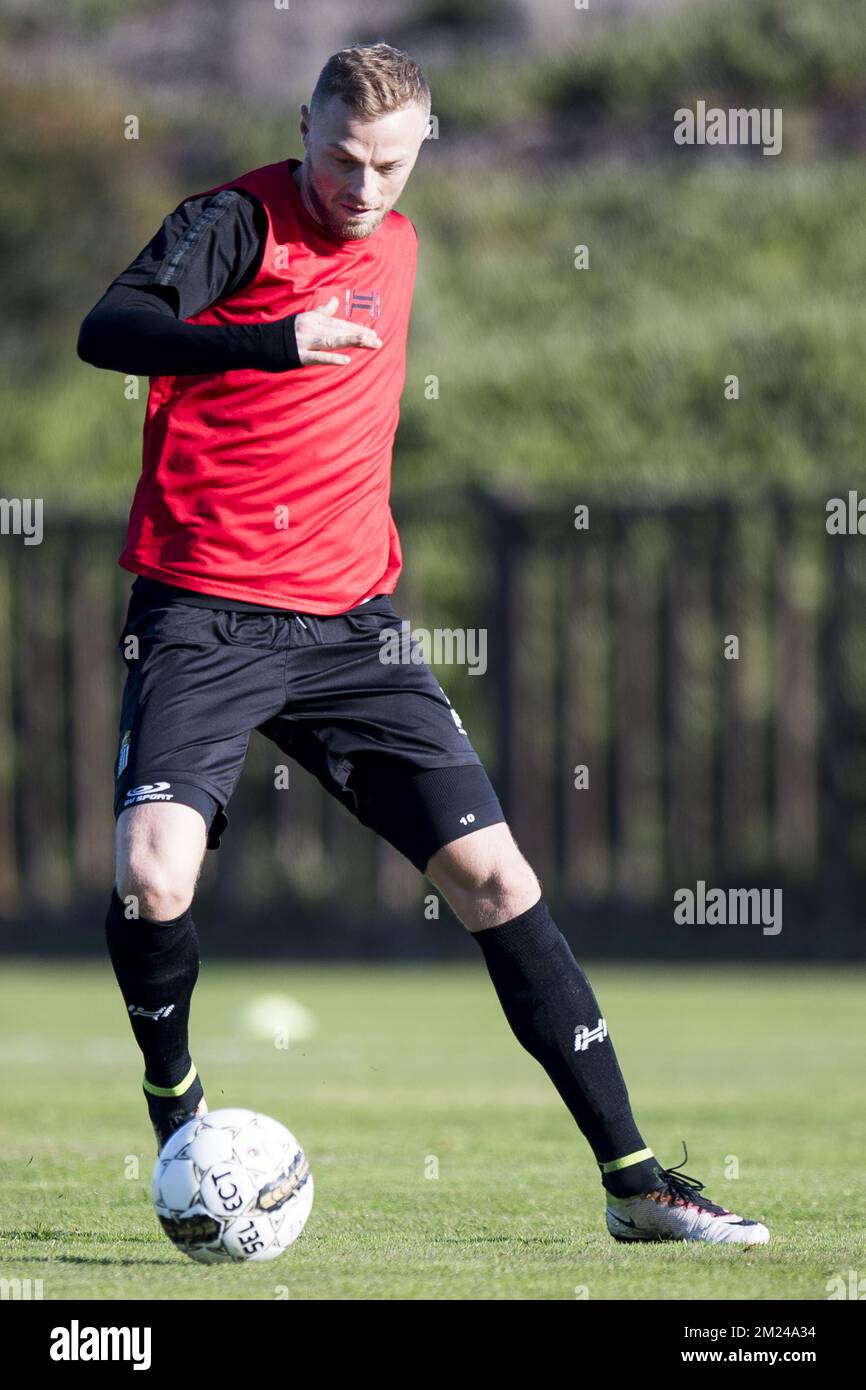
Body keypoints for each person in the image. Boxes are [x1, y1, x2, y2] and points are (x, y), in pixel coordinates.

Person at [78, 41, 768, 1246]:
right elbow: (110, 328)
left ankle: (638, 1181)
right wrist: (265, 341)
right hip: (203, 609)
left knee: (499, 882)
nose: (363, 188)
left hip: (351, 626)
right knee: (152, 877)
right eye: (342, 158)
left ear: (424, 148)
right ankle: (176, 1101)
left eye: (390, 164)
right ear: (305, 128)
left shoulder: (396, 239)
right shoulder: (234, 224)